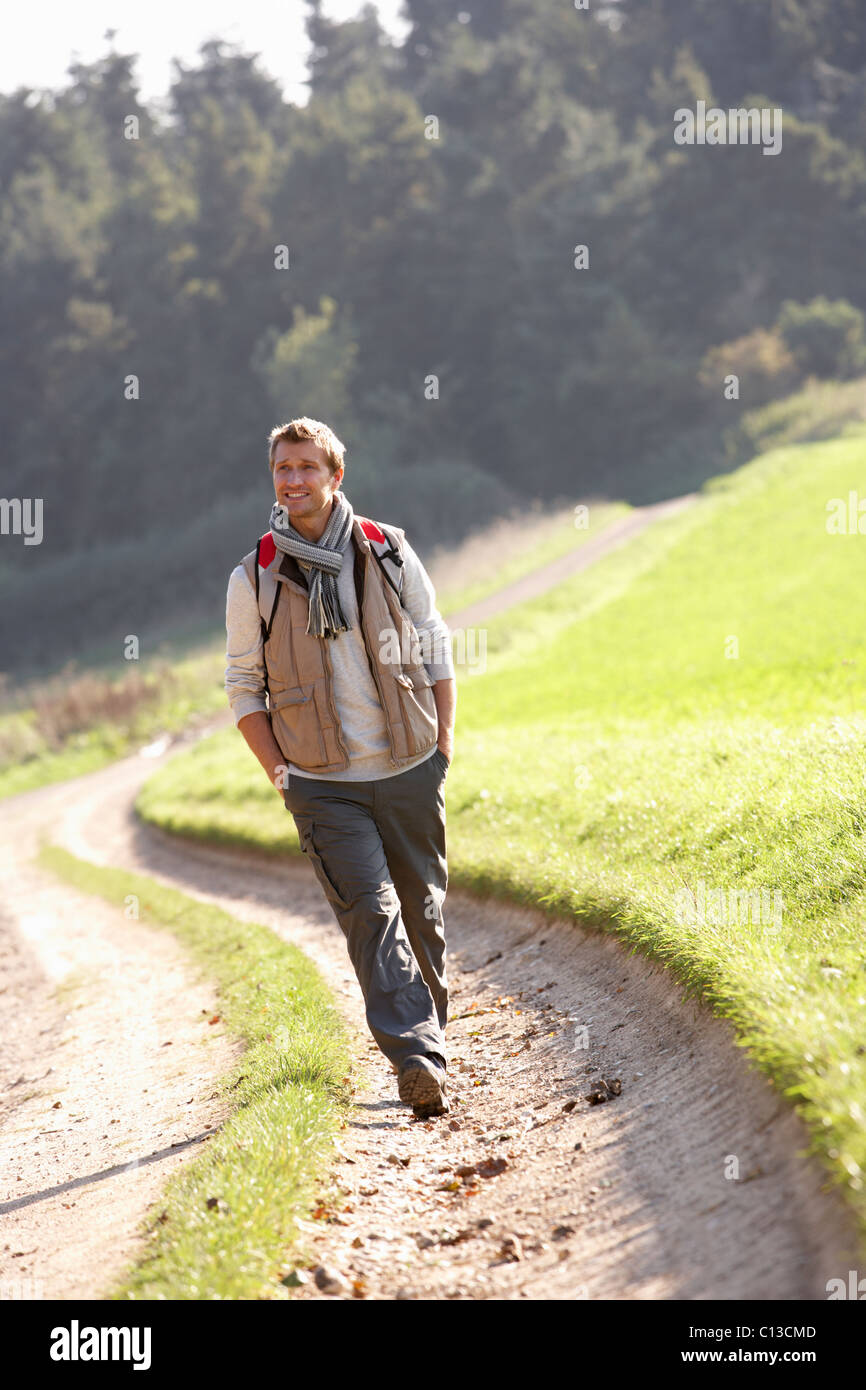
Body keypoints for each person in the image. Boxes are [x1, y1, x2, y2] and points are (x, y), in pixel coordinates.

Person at [224, 417, 456, 1119]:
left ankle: (428, 1038)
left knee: (421, 913)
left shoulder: (386, 550)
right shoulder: (255, 575)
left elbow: (436, 641)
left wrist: (445, 741)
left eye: (306, 468)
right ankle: (415, 1058)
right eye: (282, 469)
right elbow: (244, 686)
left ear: (335, 476)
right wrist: (279, 774)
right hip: (324, 786)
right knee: (372, 915)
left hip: (410, 766)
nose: (292, 481)